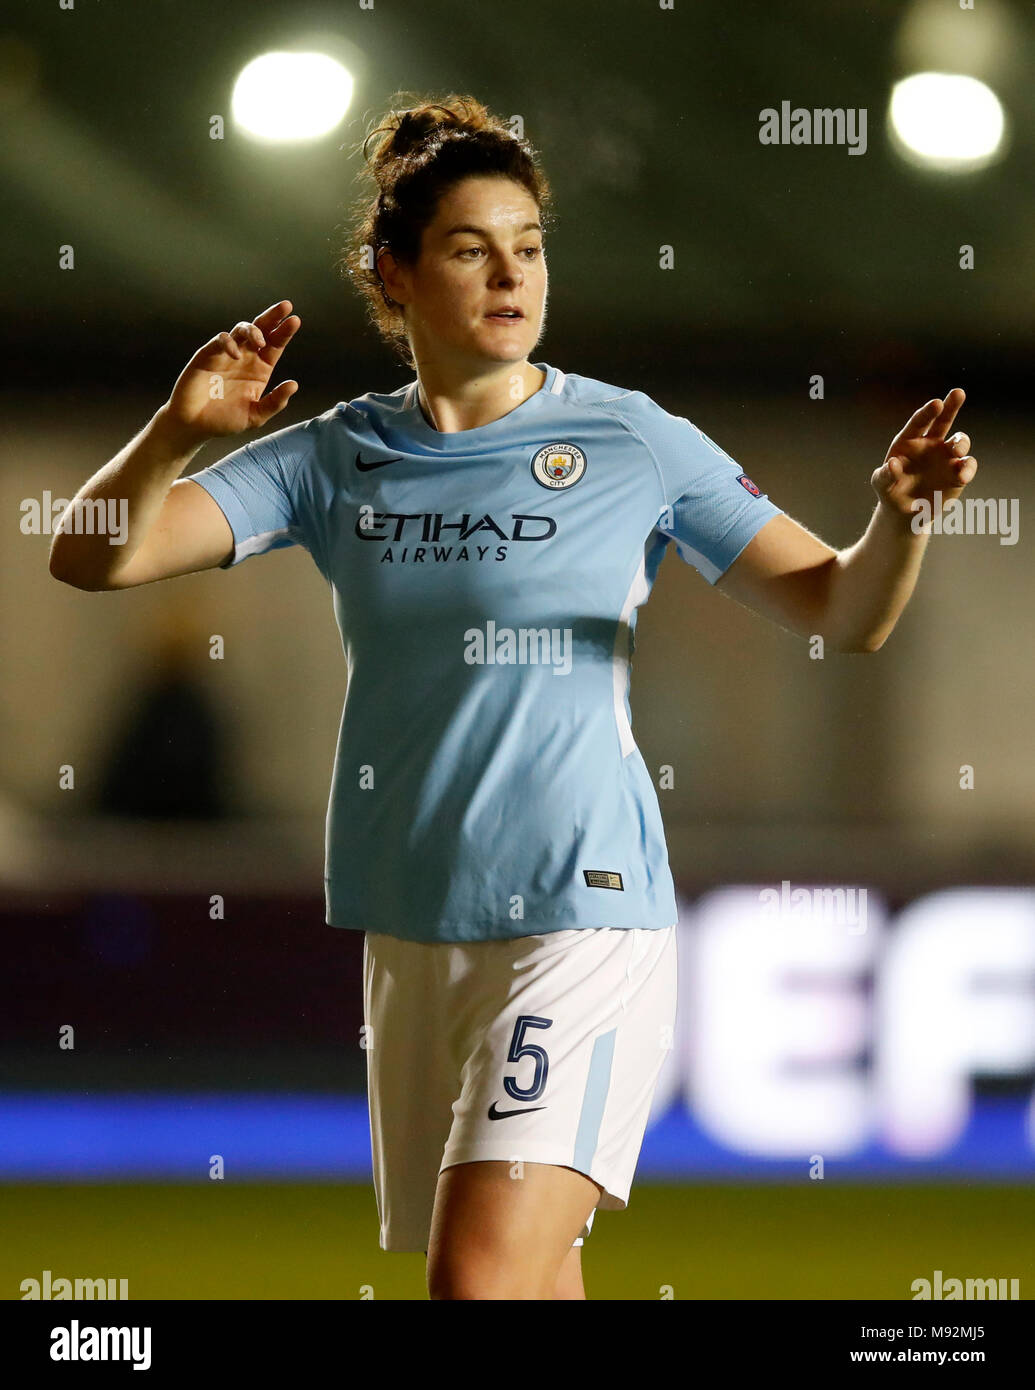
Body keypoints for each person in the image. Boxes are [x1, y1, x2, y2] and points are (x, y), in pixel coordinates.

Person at [49, 93, 978, 1300]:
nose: (511, 274)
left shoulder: (631, 438)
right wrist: (176, 430)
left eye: (530, 245)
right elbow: (89, 553)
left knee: (476, 1279)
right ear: (395, 274)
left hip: (581, 913)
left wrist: (898, 522)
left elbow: (846, 614)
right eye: (470, 248)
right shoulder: (339, 455)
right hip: (413, 915)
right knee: (530, 1286)